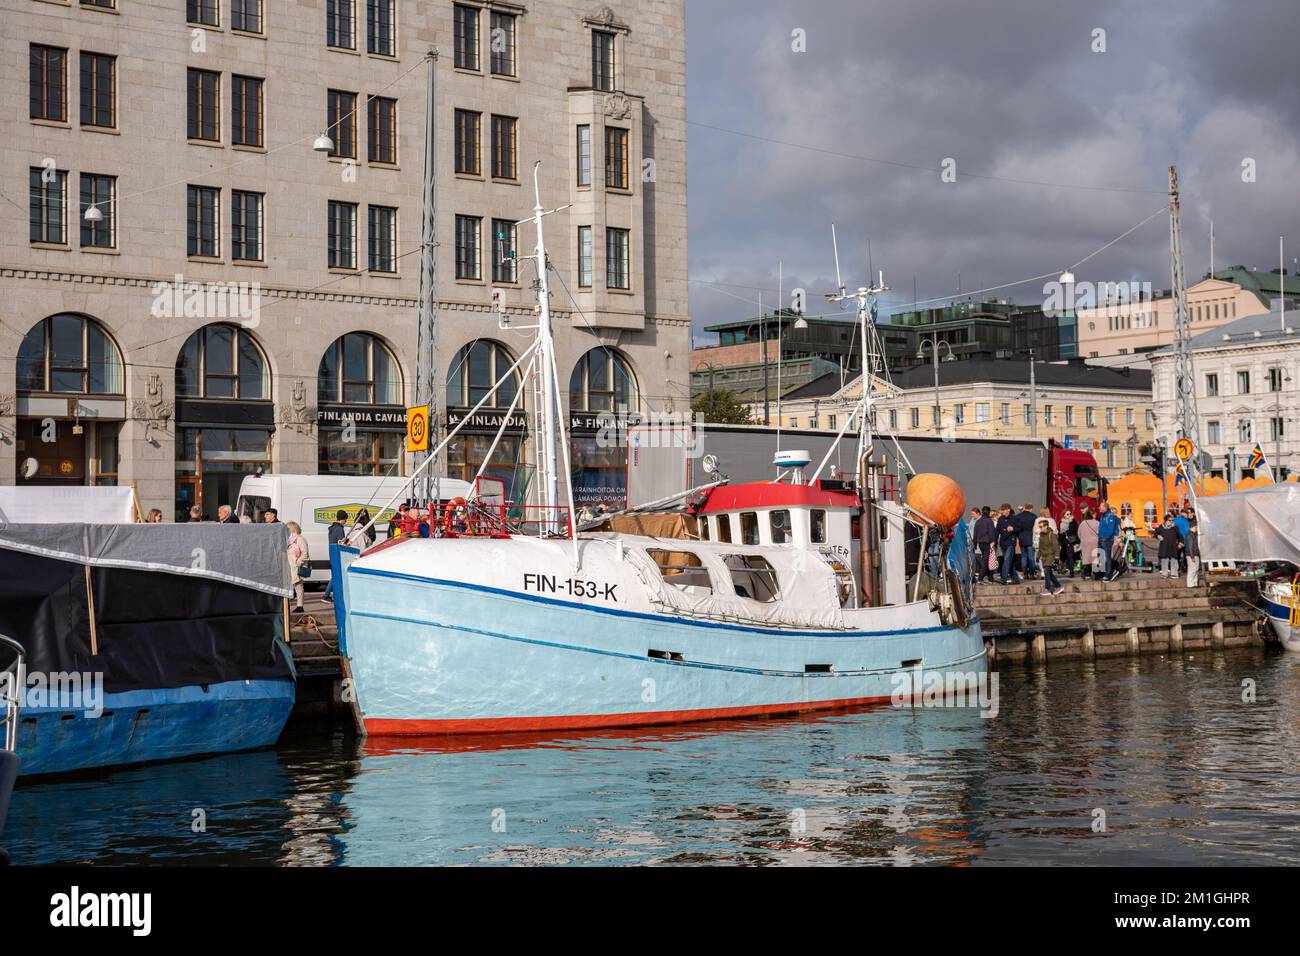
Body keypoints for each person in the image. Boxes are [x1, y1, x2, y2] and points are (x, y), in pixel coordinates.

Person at [322, 510, 349, 603]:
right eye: (345, 520)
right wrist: (347, 542)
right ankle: (326, 595)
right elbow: (341, 542)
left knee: (335, 575)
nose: (346, 522)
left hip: (332, 554)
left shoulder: (332, 528)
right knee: (336, 576)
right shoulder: (339, 529)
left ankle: (332, 595)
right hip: (338, 554)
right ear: (343, 519)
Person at [1036, 519, 1065, 597]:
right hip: (1044, 557)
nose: (1040, 528)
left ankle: (1047, 589)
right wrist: (1038, 556)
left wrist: (1056, 557)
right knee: (1049, 573)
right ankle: (1059, 586)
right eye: (1039, 527)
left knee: (1046, 571)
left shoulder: (1051, 535)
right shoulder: (1041, 535)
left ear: (1046, 526)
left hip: (1050, 556)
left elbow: (1056, 547)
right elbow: (1040, 547)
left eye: (1041, 526)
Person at [1149, 513, 1182, 578]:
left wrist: (1180, 543)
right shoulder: (1161, 527)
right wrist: (1158, 536)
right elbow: (1155, 533)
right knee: (1164, 560)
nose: (1171, 522)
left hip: (1173, 546)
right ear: (1166, 521)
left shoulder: (1175, 527)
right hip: (1164, 546)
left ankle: (1174, 574)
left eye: (1172, 520)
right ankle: (1164, 574)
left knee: (1174, 559)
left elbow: (1180, 536)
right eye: (1170, 520)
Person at [286, 520, 309, 612]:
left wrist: (297, 563)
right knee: (293, 586)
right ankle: (288, 605)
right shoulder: (290, 540)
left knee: (298, 586)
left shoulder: (300, 539)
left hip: (296, 567)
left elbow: (305, 554)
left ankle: (300, 606)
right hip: (290, 567)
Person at [995, 503, 1021, 585]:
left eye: (1004, 510)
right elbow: (997, 531)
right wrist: (993, 541)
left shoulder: (1015, 518)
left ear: (1008, 510)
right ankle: (1016, 579)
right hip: (1003, 543)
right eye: (1002, 510)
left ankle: (1004, 578)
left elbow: (1020, 528)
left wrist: (1013, 529)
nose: (1002, 512)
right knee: (1008, 561)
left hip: (1011, 542)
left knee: (1007, 560)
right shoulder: (1000, 519)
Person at [1097, 501, 1121, 581]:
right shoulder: (1103, 516)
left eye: (1100, 506)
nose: (1099, 508)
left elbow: (1111, 529)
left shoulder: (1110, 516)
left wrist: (1106, 537)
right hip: (1101, 539)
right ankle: (1107, 572)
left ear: (1105, 507)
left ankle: (1109, 573)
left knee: (1107, 557)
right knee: (1102, 557)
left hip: (1106, 540)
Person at [973, 506, 997, 585]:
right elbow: (992, 532)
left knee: (987, 560)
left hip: (980, 544)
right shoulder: (989, 521)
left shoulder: (978, 521)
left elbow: (975, 534)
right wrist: (993, 542)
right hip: (987, 543)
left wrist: (975, 545)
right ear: (989, 512)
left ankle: (990, 578)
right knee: (986, 561)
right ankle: (980, 578)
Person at [1015, 502, 1038, 578]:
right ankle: (1032, 573)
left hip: (1021, 539)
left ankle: (1025, 573)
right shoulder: (1034, 516)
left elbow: (1017, 528)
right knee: (1031, 557)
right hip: (1030, 539)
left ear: (1025, 507)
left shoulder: (1018, 516)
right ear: (1031, 509)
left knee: (1023, 557)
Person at [1078, 507, 1100, 580]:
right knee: (1095, 558)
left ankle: (1087, 574)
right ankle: (1096, 574)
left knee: (1086, 558)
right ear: (1093, 515)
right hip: (1095, 542)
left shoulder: (1083, 523)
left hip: (1085, 543)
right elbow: (1100, 533)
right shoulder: (1097, 523)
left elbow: (1079, 534)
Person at [1058, 508, 1078, 576]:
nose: (1069, 515)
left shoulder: (1073, 521)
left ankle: (1071, 571)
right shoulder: (1061, 522)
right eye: (1067, 514)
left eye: (1070, 514)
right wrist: (1060, 542)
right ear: (1064, 515)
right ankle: (1067, 569)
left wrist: (1067, 531)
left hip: (1071, 541)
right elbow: (1060, 533)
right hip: (1064, 542)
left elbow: (1075, 530)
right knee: (1065, 556)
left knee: (1070, 556)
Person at [1184, 514, 1201, 587]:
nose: (1197, 528)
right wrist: (1192, 556)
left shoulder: (1193, 534)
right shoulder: (1189, 535)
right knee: (1192, 569)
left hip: (1195, 554)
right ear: (1192, 527)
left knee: (1196, 569)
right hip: (1192, 555)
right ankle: (1190, 584)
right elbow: (1190, 546)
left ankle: (1194, 583)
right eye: (1196, 527)